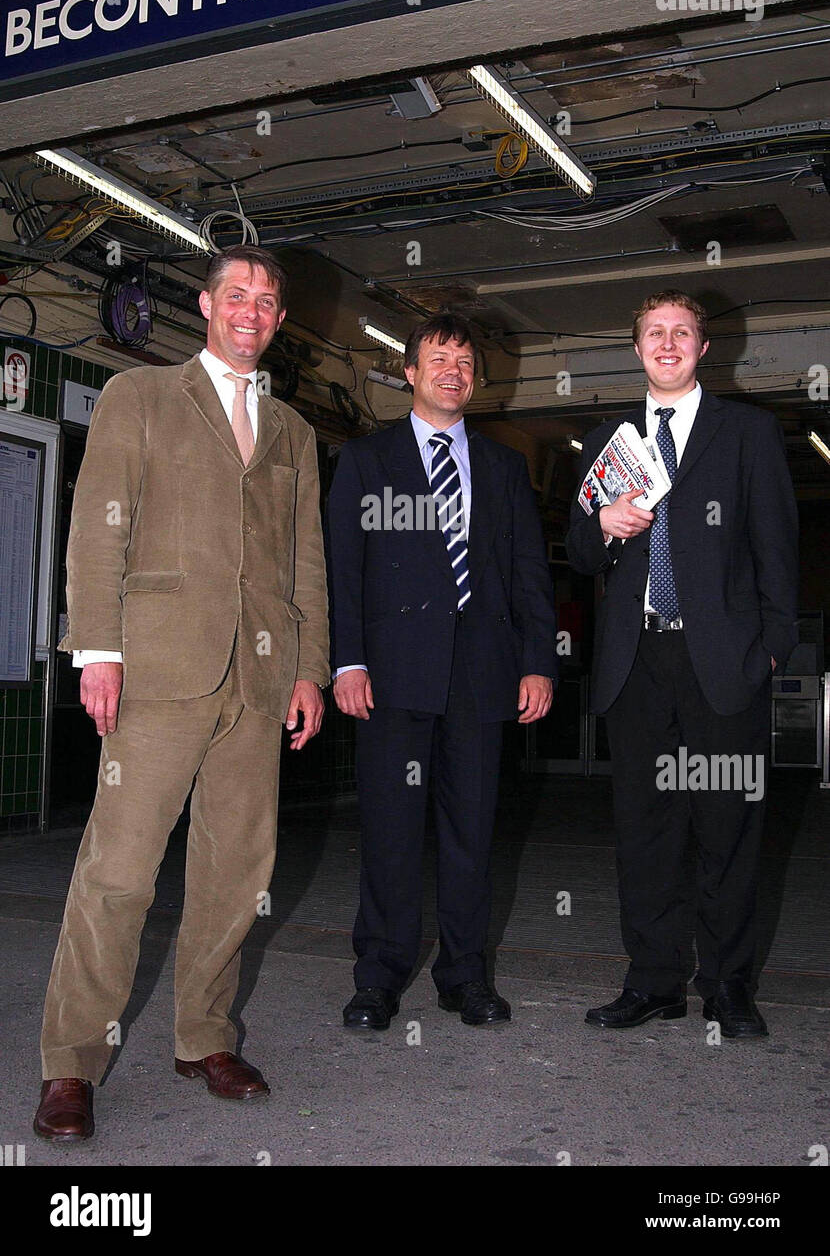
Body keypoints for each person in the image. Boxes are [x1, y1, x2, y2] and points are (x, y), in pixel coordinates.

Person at [34, 245, 329, 1141]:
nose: (251, 310)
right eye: (236, 294)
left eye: (267, 301)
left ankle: (203, 1037)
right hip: (158, 667)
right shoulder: (142, 398)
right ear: (205, 305)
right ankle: (71, 1062)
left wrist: (310, 667)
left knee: (236, 875)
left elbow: (305, 561)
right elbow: (97, 530)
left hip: (261, 671)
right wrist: (98, 651)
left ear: (279, 319)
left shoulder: (294, 433)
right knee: (118, 872)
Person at [566, 290, 798, 1038]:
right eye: (654, 333)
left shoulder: (749, 434)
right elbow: (575, 551)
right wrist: (600, 523)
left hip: (723, 663)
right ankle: (653, 980)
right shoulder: (608, 437)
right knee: (646, 830)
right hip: (636, 663)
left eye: (683, 333)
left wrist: (769, 650)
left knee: (725, 826)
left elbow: (778, 553)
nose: (668, 343)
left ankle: (728, 985)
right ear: (637, 349)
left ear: (704, 349)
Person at [326, 312, 557, 1031]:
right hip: (393, 676)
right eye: (438, 360)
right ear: (410, 373)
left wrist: (537, 662)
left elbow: (528, 574)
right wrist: (348, 660)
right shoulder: (368, 460)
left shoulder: (501, 467)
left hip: (483, 677)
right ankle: (379, 979)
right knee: (391, 829)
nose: (453, 372)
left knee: (472, 833)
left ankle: (466, 978)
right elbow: (344, 569)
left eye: (464, 363)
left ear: (475, 379)